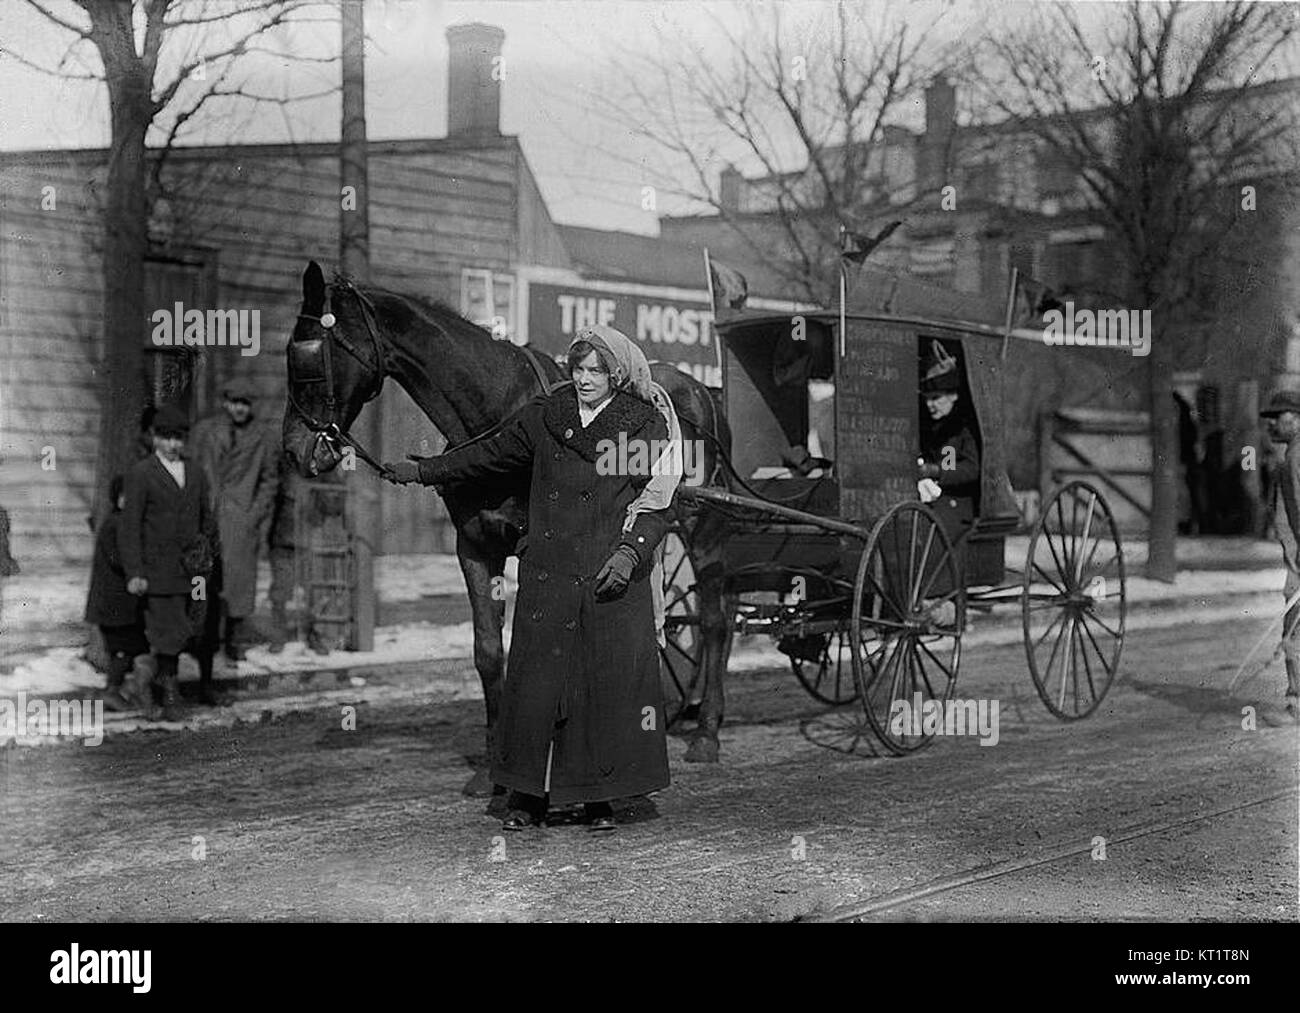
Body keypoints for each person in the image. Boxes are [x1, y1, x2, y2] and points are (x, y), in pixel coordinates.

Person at [383, 324, 682, 834]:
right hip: (551, 569)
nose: (585, 379)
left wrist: (631, 555)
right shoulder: (547, 417)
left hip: (607, 570)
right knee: (537, 687)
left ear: (615, 374)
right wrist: (425, 472)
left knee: (599, 688)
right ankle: (526, 797)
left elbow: (656, 505)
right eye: (579, 369)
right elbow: (487, 454)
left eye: (596, 371)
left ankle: (598, 800)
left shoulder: (641, 426)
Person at [119, 405, 220, 719]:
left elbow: (207, 520)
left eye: (179, 439)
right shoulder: (140, 473)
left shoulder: (196, 472)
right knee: (167, 631)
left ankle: (143, 682)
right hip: (157, 571)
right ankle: (169, 692)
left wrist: (208, 558)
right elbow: (130, 527)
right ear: (155, 438)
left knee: (192, 629)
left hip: (193, 573)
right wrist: (135, 572)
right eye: (167, 438)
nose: (174, 445)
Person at [190, 384, 280, 660]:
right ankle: (201, 640)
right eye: (234, 402)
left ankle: (232, 641)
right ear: (225, 403)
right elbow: (192, 470)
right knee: (203, 580)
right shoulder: (205, 431)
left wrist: (253, 515)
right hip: (207, 518)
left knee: (237, 586)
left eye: (245, 402)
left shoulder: (263, 437)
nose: (240, 408)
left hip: (240, 522)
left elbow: (269, 481)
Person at [84, 475, 146, 712]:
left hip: (117, 603)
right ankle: (111, 691)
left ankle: (119, 689)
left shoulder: (120, 523)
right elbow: (119, 559)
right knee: (126, 649)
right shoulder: (116, 524)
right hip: (114, 604)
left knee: (128, 648)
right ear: (118, 499)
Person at [1259, 389, 1300, 722]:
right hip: (1296, 559)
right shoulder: (1291, 457)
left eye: (1278, 416)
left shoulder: (1297, 458)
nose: (1271, 423)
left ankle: (1297, 703)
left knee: (1294, 634)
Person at [916, 356, 980, 533]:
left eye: (936, 398)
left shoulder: (964, 430)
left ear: (953, 396)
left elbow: (971, 469)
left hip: (956, 506)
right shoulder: (929, 427)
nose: (930, 405)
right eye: (927, 399)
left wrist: (936, 471)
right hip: (932, 500)